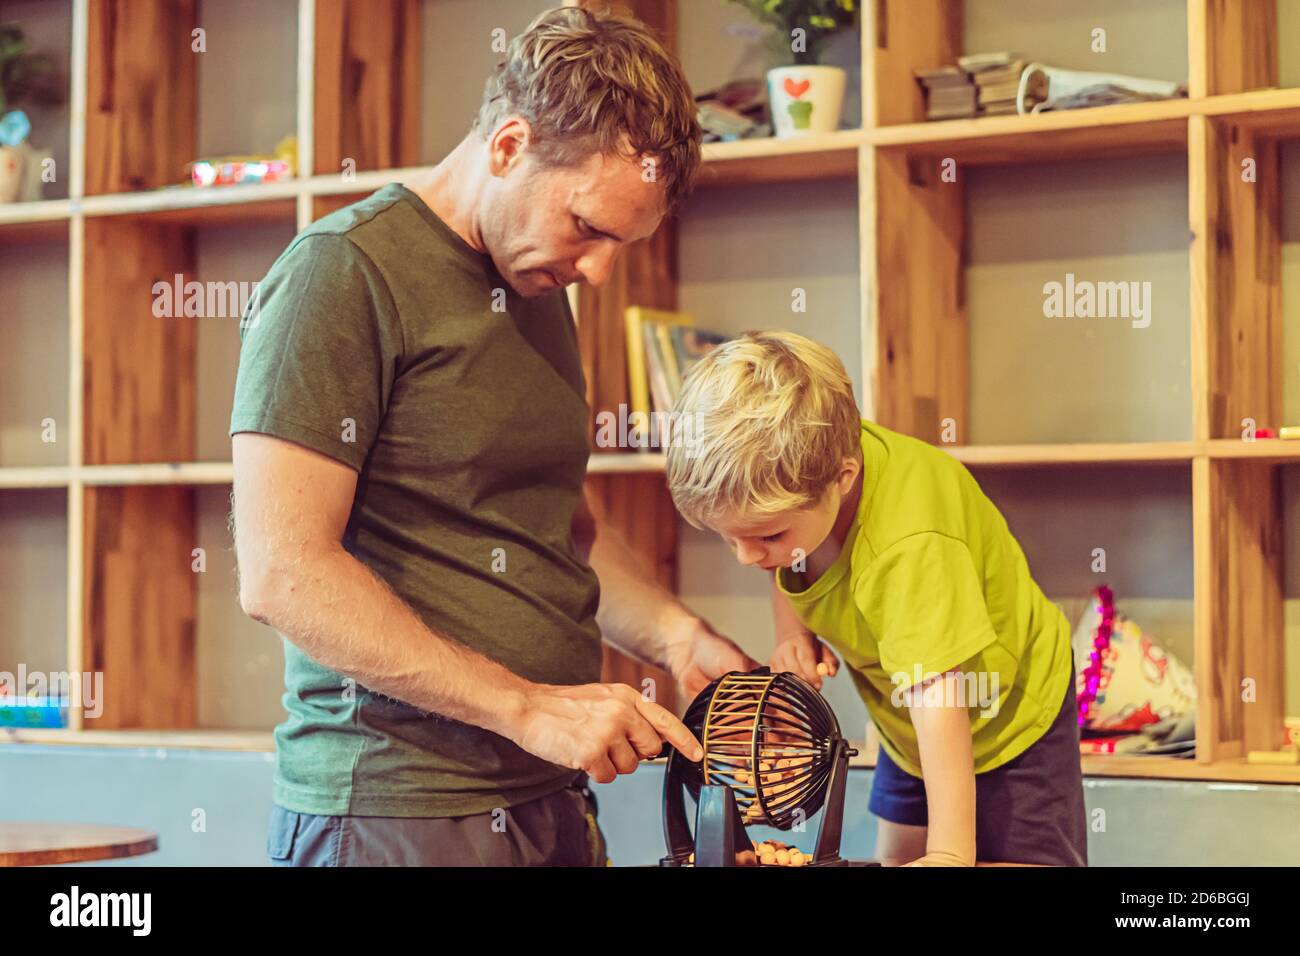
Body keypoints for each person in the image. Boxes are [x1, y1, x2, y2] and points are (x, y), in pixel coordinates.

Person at [230, 5, 754, 867]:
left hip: (547, 798)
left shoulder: (534, 280)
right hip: (398, 813)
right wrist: (530, 708)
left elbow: (557, 526)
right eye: (588, 227)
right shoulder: (342, 273)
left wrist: (676, 637)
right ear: (509, 145)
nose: (598, 270)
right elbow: (283, 573)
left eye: (623, 243)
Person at [664, 330, 1088, 867]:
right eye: (728, 537)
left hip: (1008, 717)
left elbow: (939, 695)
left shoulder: (909, 545)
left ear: (843, 477)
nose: (746, 558)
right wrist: (793, 632)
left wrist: (952, 853)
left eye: (766, 537)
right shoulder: (800, 478)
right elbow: (784, 556)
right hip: (908, 720)